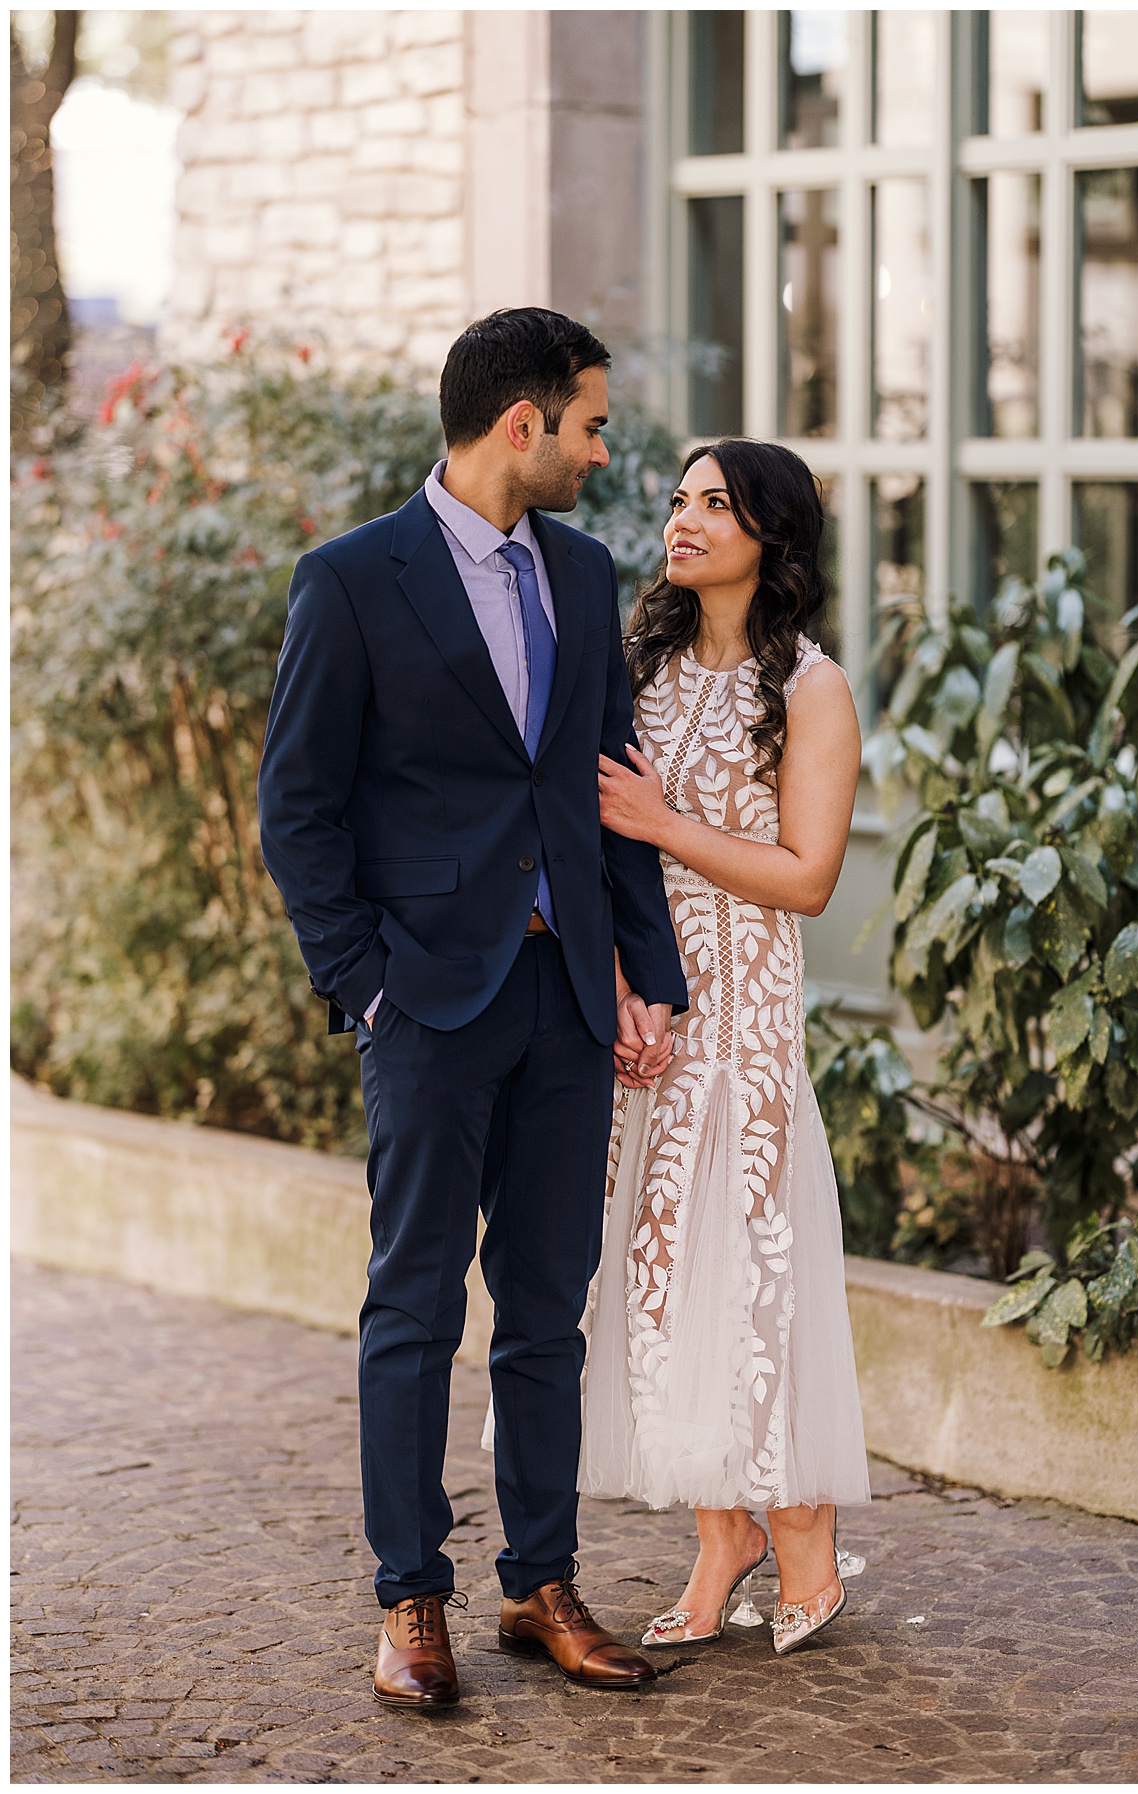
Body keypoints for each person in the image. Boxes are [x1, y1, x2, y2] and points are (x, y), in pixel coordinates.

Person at [259, 308, 688, 1709]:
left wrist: (645, 972)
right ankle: (411, 1594)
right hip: (428, 1002)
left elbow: (607, 788)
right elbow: (298, 808)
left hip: (564, 997)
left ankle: (539, 1584)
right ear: (522, 424)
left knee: (548, 1307)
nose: (602, 451)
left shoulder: (582, 570)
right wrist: (366, 985)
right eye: (591, 424)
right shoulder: (350, 580)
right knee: (414, 1303)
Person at [579, 437, 872, 1655]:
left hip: (746, 1026)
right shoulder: (633, 669)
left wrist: (665, 821)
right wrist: (617, 988)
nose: (682, 521)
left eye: (715, 504)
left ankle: (802, 1534)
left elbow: (807, 879)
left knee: (752, 1275)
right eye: (679, 500)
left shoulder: (811, 687)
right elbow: (595, 851)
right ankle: (721, 1538)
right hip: (646, 1025)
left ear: (770, 535)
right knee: (656, 1282)